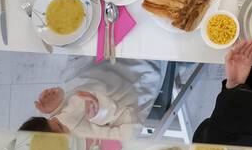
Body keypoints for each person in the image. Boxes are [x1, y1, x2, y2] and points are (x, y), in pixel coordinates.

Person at [19, 58, 165, 140]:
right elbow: (130, 131)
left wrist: (57, 106)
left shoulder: (58, 121)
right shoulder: (85, 138)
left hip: (97, 70)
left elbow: (70, 108)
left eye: (51, 119)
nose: (57, 119)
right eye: (58, 125)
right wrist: (100, 112)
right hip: (128, 84)